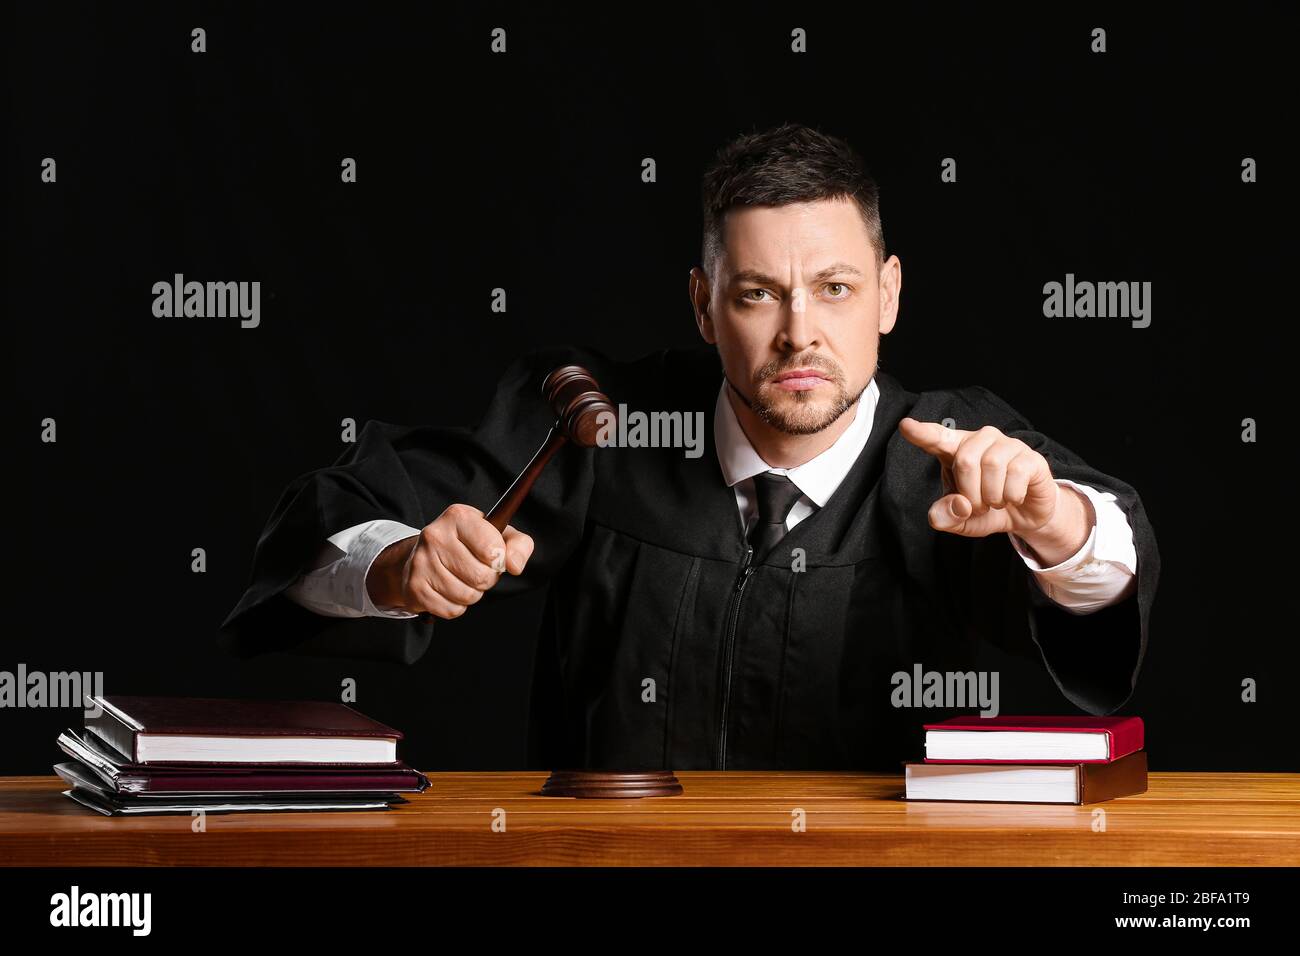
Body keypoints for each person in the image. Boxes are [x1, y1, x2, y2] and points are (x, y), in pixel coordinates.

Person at [220, 123, 1158, 771]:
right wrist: (397, 569)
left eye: (834, 288)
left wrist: (1059, 526)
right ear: (704, 306)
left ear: (890, 295)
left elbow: (1106, 575)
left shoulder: (957, 460)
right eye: (757, 294)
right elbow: (332, 525)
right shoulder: (601, 427)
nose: (800, 336)